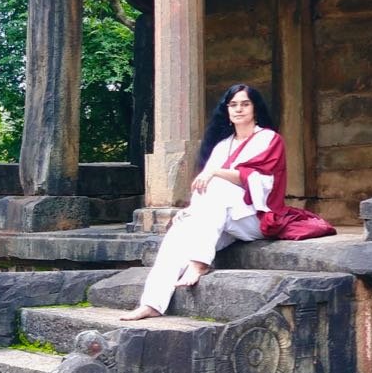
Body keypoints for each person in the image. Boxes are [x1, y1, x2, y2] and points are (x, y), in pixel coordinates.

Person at [120, 83, 334, 321]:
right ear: (227, 110)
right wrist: (190, 211)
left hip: (256, 218)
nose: (239, 109)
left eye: (245, 104)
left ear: (255, 108)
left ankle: (200, 262)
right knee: (179, 234)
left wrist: (217, 173)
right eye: (233, 105)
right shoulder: (223, 146)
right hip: (223, 218)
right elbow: (205, 188)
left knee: (219, 186)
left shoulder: (268, 139)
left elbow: (260, 183)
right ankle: (151, 303)